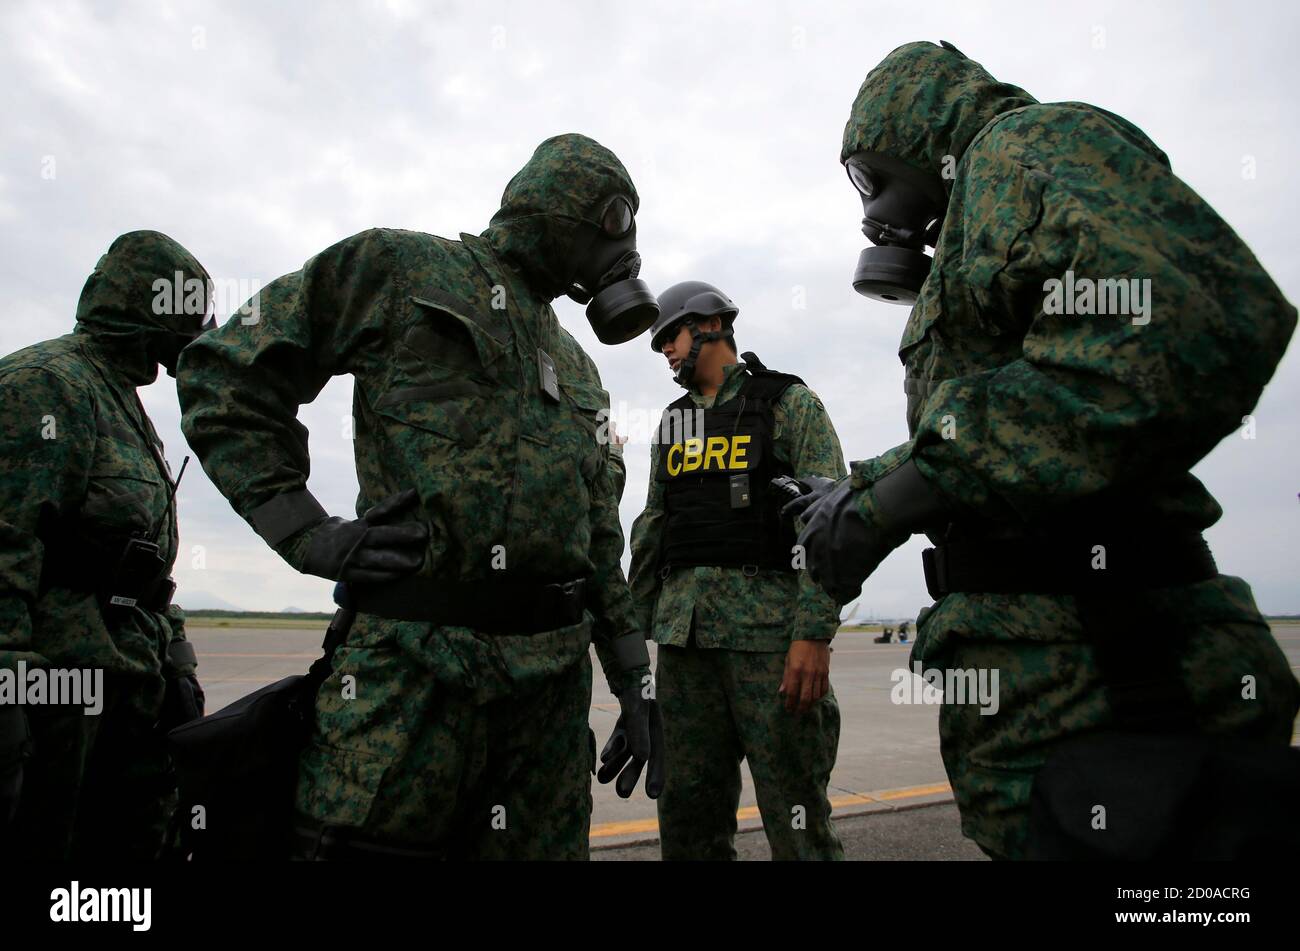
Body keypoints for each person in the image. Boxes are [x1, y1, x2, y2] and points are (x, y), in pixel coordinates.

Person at [788, 41, 1300, 860]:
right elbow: (1035, 419)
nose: (870, 205)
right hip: (1067, 689)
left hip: (1114, 678)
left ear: (915, 130)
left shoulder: (1019, 148)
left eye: (871, 174)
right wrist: (871, 485)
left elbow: (1181, 326)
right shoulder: (978, 212)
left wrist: (893, 498)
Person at [177, 134, 662, 860]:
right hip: (408, 685)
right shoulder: (400, 270)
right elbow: (225, 375)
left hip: (548, 711)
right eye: (615, 224)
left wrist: (634, 679)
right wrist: (308, 531)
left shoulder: (578, 368)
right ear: (569, 211)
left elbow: (599, 543)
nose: (621, 252)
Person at [0, 230, 209, 859]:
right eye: (187, 314)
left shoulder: (122, 400)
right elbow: (8, 538)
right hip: (59, 695)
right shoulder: (45, 384)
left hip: (128, 684)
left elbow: (144, 560)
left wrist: (177, 657)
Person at [628, 280, 846, 860]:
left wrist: (813, 633)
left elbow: (830, 525)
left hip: (771, 647)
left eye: (669, 338)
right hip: (684, 649)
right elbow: (653, 528)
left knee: (798, 825)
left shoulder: (788, 404)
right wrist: (631, 648)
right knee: (687, 824)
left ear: (708, 325)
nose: (665, 353)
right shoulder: (672, 425)